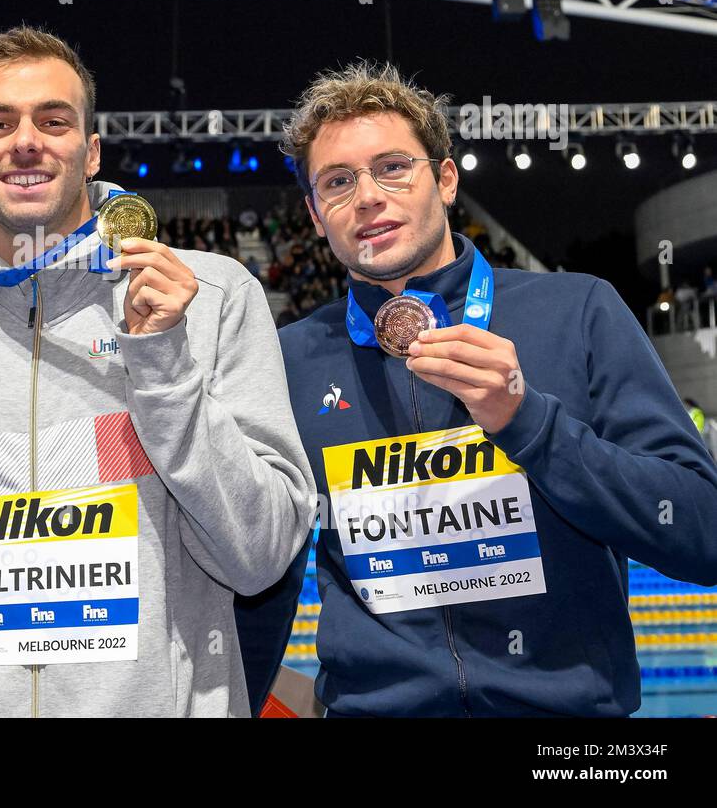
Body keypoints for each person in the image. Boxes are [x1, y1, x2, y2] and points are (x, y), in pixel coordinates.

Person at [236, 61, 717, 717]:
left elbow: (700, 531)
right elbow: (265, 573)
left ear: (445, 178)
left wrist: (530, 424)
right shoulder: (289, 356)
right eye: (338, 182)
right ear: (317, 216)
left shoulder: (578, 311)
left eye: (393, 166)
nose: (369, 196)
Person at [0, 26, 315, 717]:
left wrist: (164, 363)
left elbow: (259, 554)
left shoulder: (212, 297)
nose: (26, 141)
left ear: (91, 150)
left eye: (54, 120)